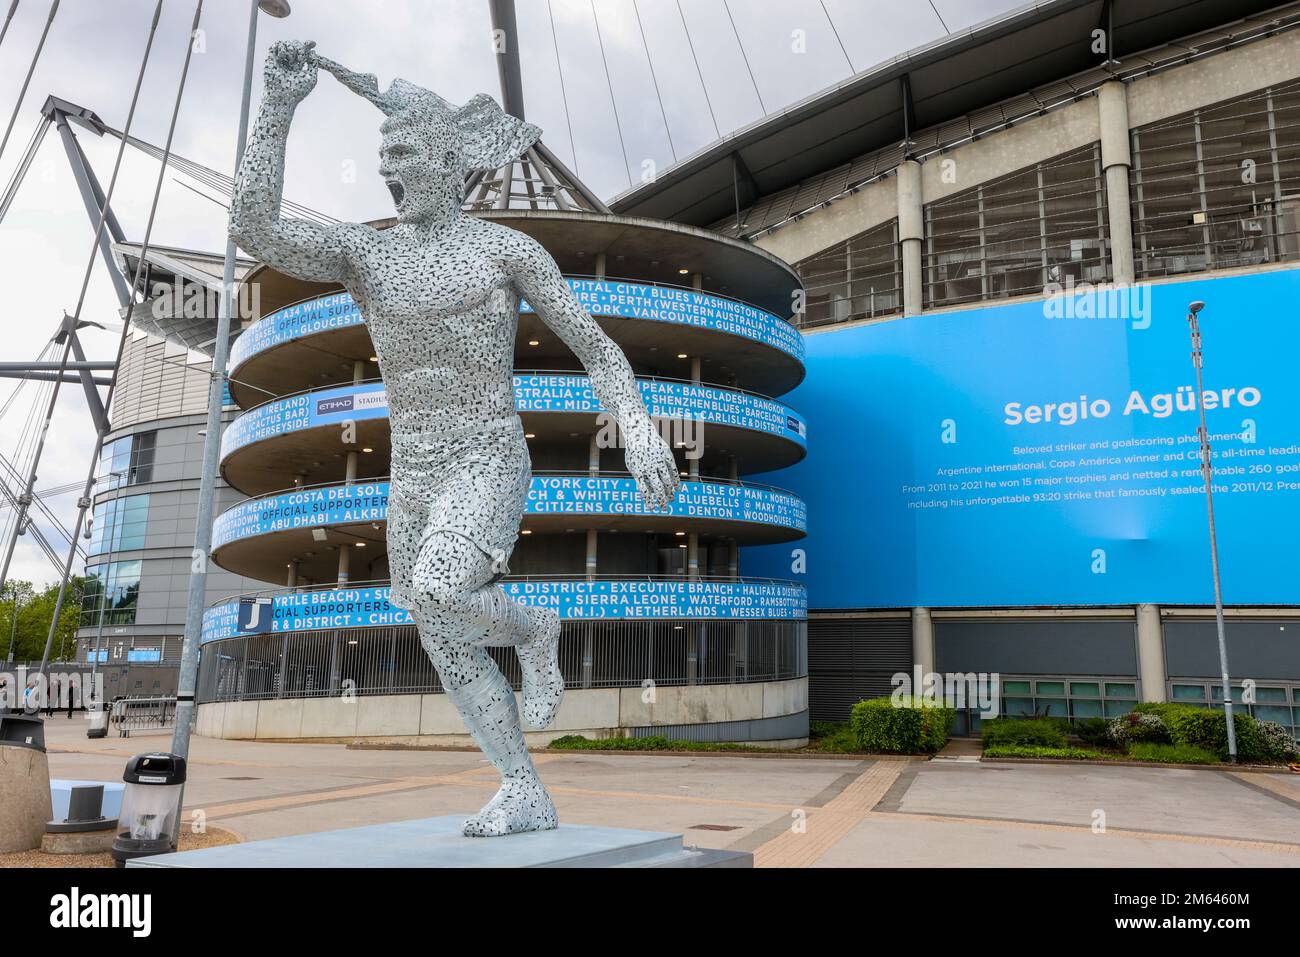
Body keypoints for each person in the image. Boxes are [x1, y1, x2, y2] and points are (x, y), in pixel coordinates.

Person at [230, 41, 679, 838]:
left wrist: (638, 427)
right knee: (435, 624)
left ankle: (538, 629)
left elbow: (596, 345)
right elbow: (255, 228)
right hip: (413, 472)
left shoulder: (504, 249)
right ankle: (522, 787)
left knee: (440, 589)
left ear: (449, 157)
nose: (388, 171)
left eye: (403, 154)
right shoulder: (366, 254)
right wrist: (277, 105)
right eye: (383, 157)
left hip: (487, 454)